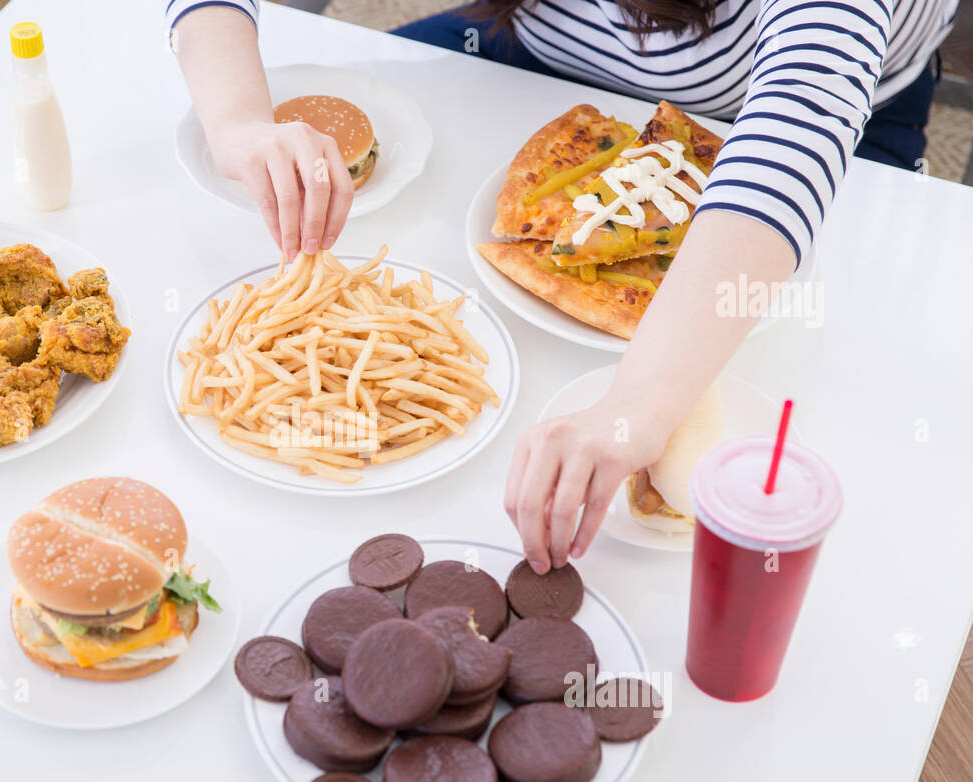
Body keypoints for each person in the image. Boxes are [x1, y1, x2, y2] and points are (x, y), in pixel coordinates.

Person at [168, 0, 956, 573]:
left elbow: (796, 130)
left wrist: (635, 408)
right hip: (531, 49)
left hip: (832, 126)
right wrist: (236, 121)